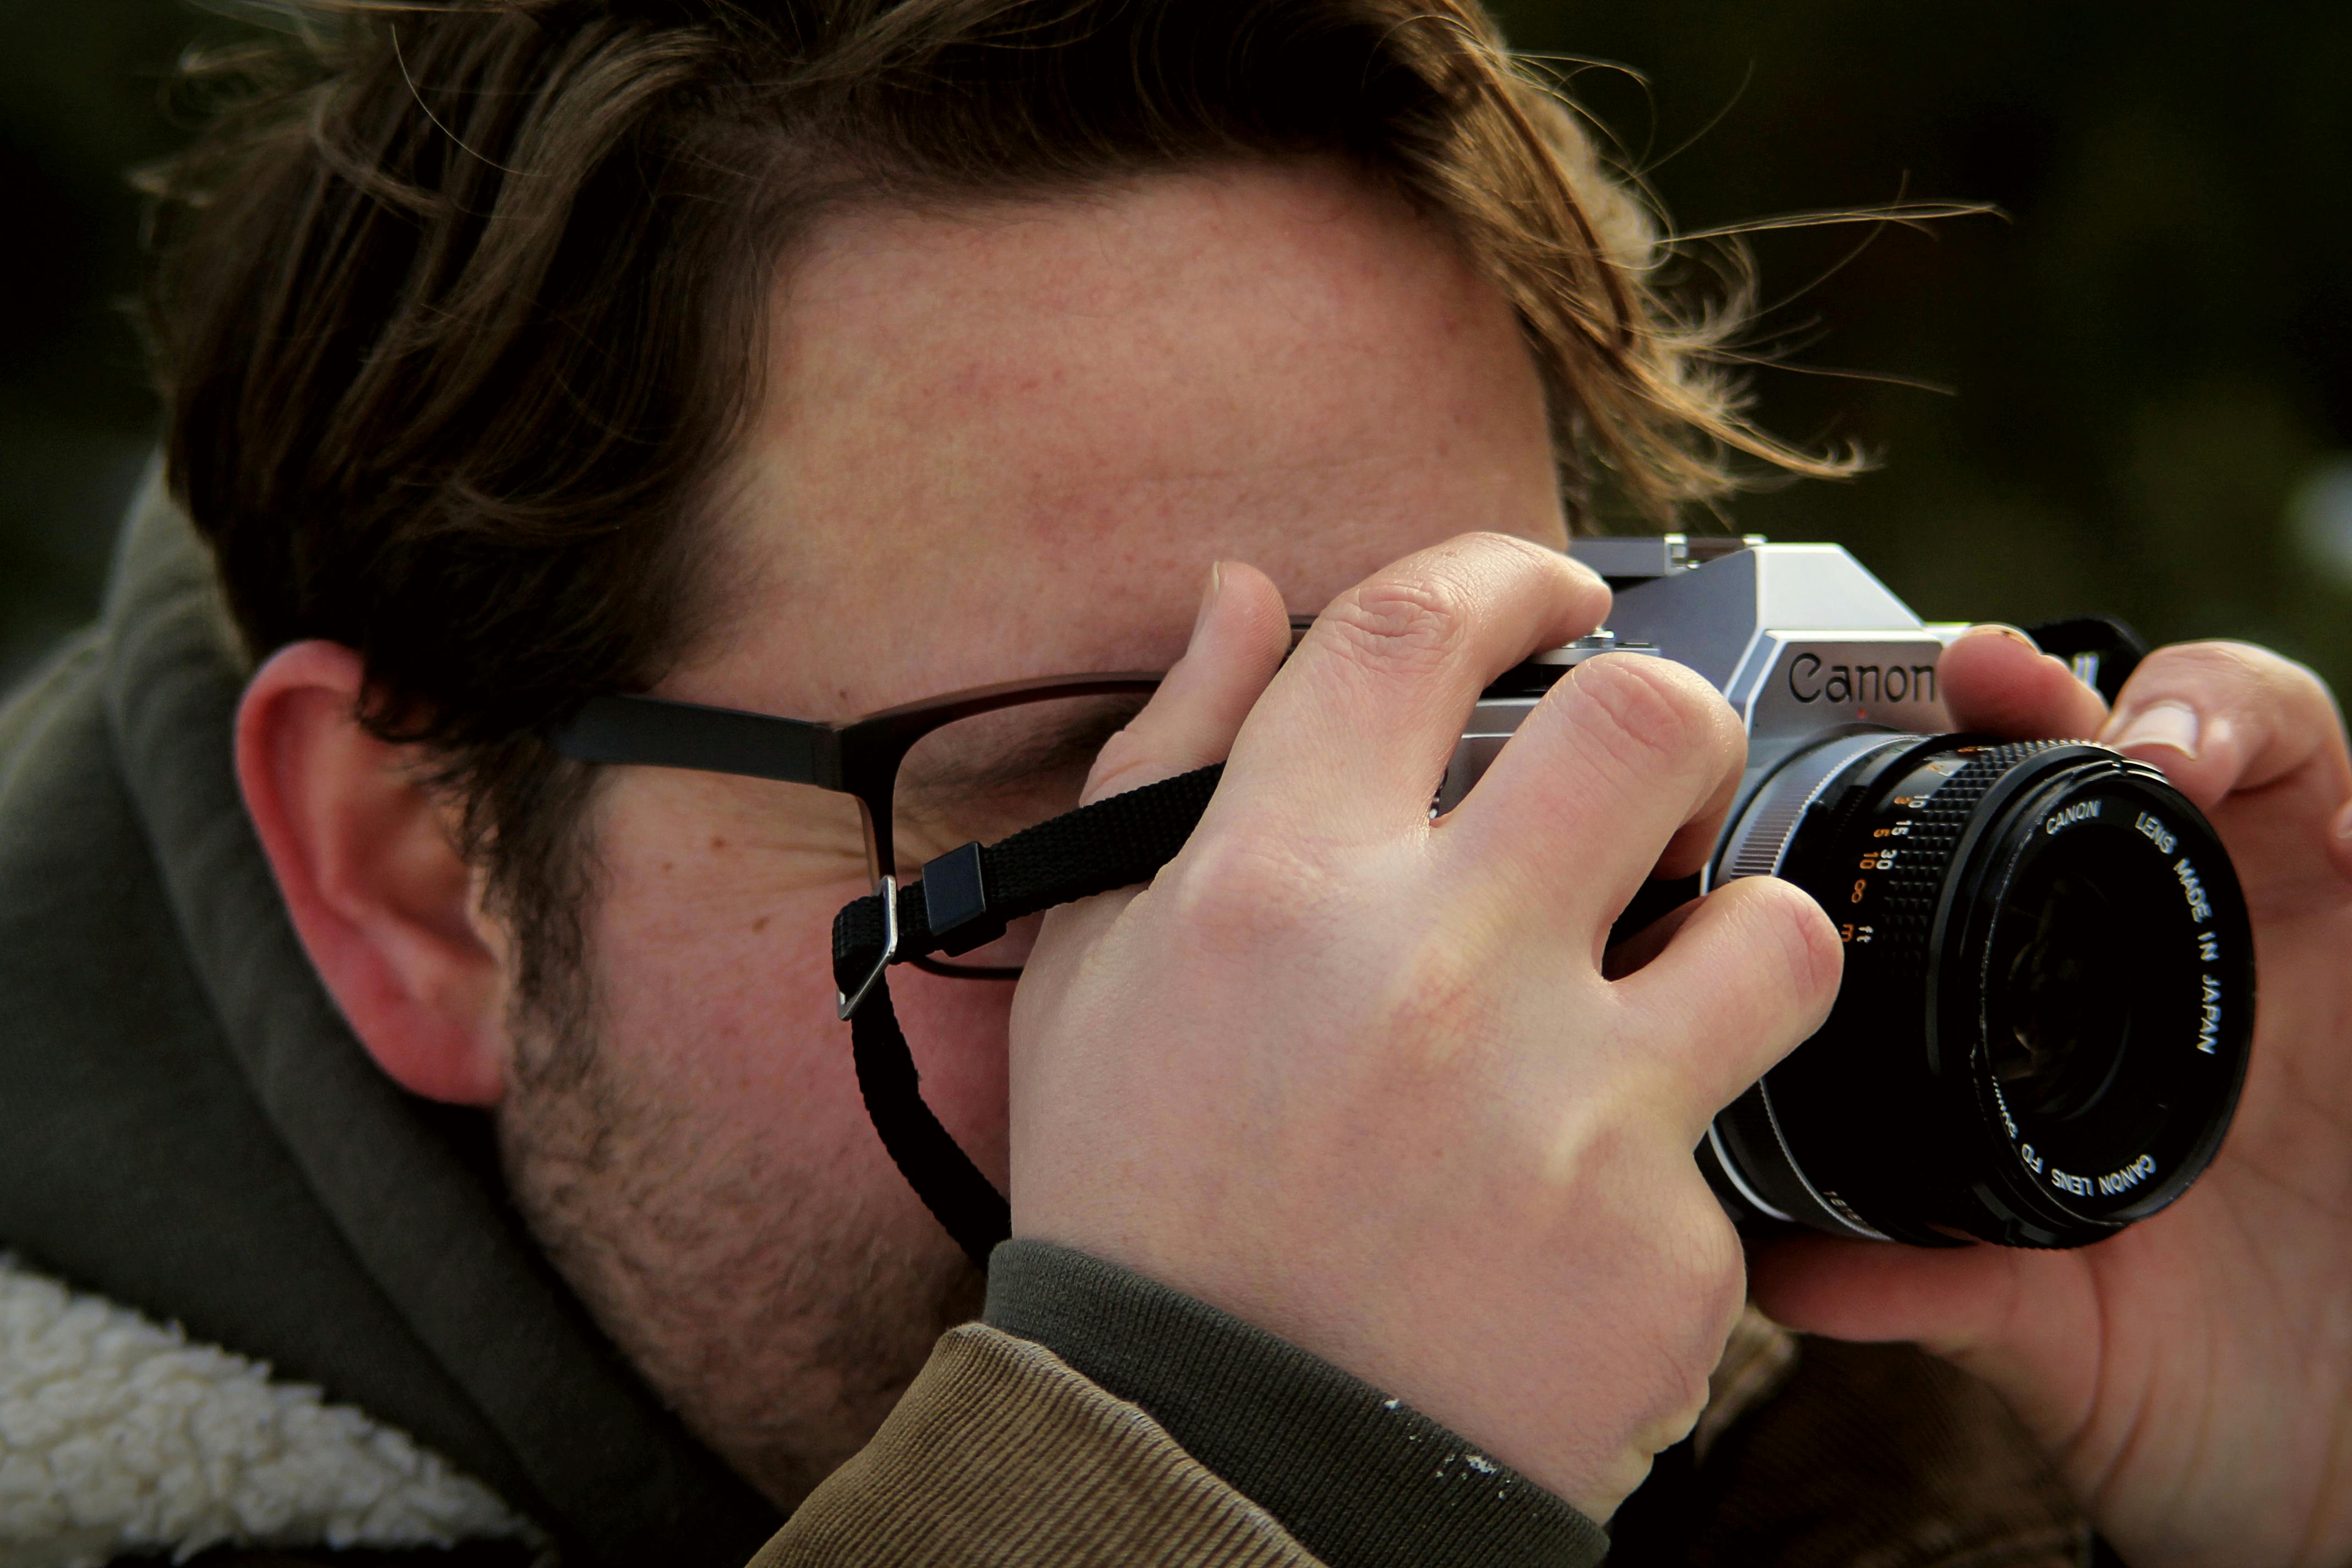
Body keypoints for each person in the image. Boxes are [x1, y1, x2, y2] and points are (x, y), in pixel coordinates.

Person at [0, 2, 2343, 1565]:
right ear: (417, 878)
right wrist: (1226, 1459)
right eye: (1099, 797)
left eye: (1495, 720)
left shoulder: (1777, 1379)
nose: (1379, 980)